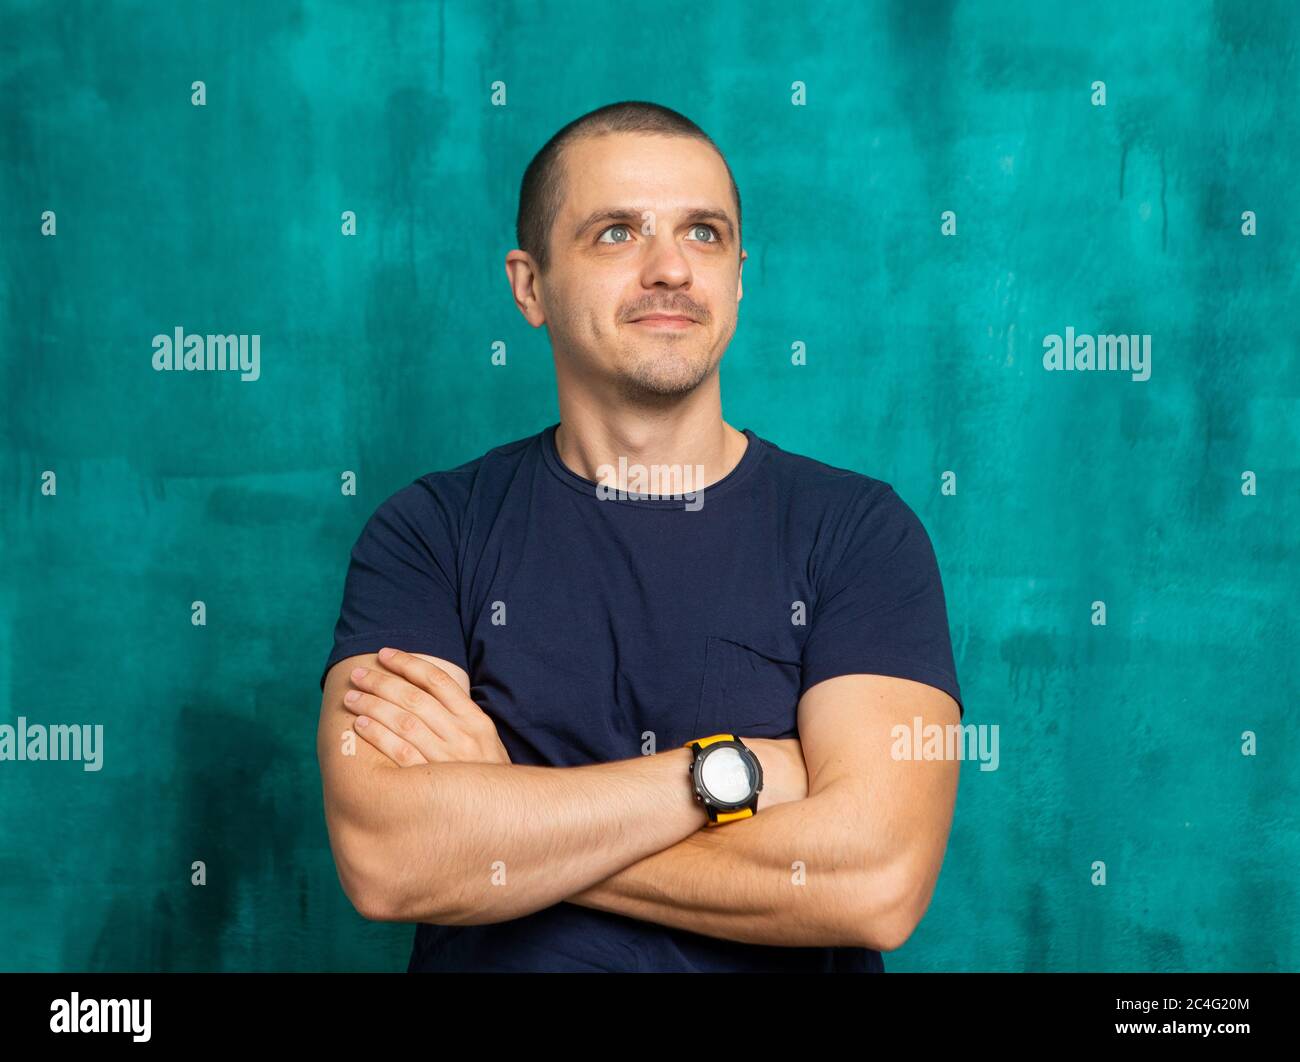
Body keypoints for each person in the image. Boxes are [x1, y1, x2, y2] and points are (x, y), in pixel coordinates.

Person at [317, 100, 964, 973]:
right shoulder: (427, 535)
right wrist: (739, 775)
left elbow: (875, 881)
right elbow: (390, 860)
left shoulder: (858, 534)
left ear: (739, 275)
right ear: (530, 285)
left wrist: (507, 816)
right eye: (617, 233)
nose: (670, 269)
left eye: (703, 234)